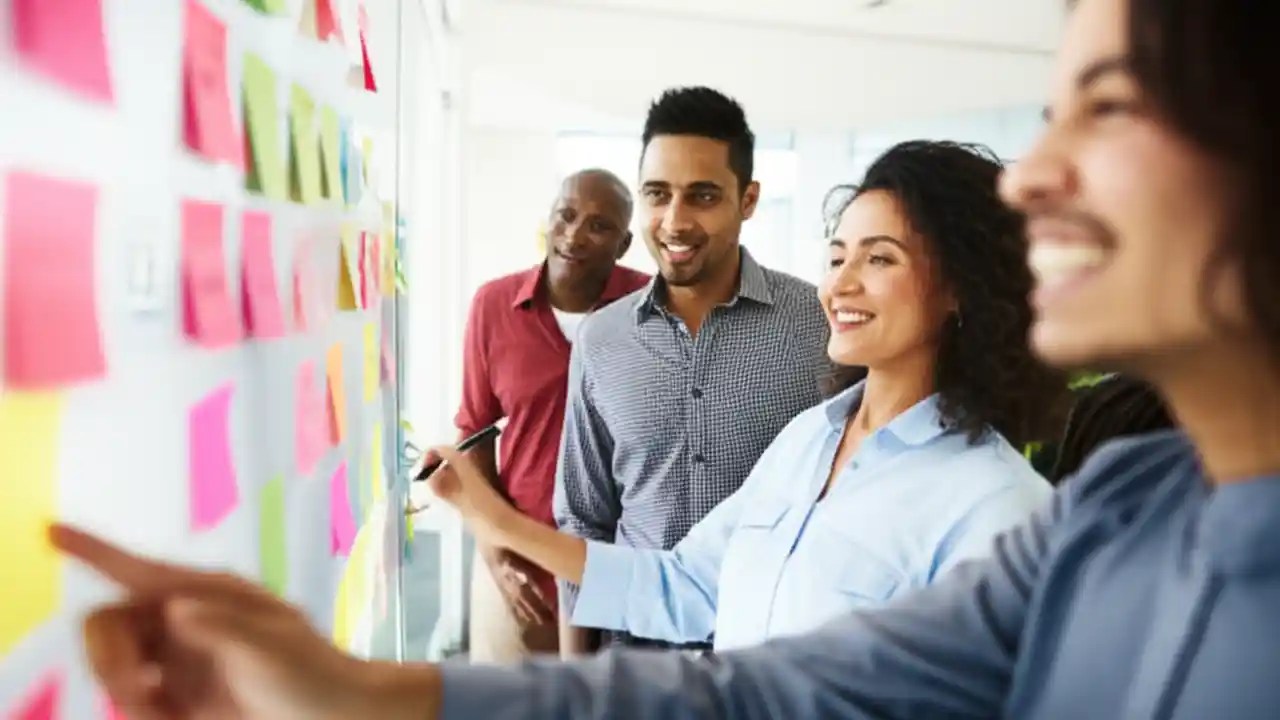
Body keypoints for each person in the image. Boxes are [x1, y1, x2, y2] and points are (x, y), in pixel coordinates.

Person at [52, 0, 1280, 716]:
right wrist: (360, 690)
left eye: (1109, 104)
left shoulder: (1004, 503)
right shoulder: (1111, 516)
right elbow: (720, 655)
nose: (1033, 174)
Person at [425, 141, 1064, 652]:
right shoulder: (811, 439)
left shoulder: (998, 505)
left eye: (879, 260)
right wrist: (492, 517)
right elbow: (683, 585)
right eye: (837, 257)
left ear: (960, 288)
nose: (841, 284)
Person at [552, 86, 832, 654]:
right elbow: (584, 521)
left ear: (747, 199)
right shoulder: (601, 339)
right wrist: (576, 683)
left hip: (772, 658)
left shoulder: (819, 326)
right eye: (658, 194)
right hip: (634, 658)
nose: (674, 222)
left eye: (702, 196)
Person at [450, 169, 649, 662]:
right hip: (519, 554)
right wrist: (495, 552)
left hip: (616, 560)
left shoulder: (650, 305)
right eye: (566, 215)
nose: (575, 234)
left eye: (599, 226)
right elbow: (473, 433)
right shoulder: (494, 304)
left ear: (622, 244)